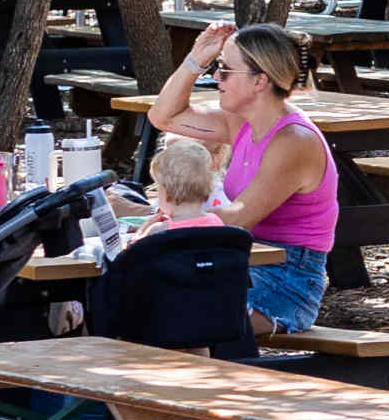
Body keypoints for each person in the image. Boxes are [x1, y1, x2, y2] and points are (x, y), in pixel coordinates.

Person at [144, 22, 338, 334]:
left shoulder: (293, 141)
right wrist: (196, 58)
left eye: (225, 70)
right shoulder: (241, 122)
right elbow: (162, 117)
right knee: (135, 296)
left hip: (285, 280)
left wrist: (174, 225)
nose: (215, 77)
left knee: (165, 311)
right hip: (241, 261)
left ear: (260, 81)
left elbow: (238, 218)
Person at [81, 134, 257, 363]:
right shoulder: (218, 228)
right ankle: (203, 375)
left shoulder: (160, 234)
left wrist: (147, 227)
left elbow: (129, 259)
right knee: (198, 345)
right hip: (206, 318)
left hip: (159, 317)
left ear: (168, 194)